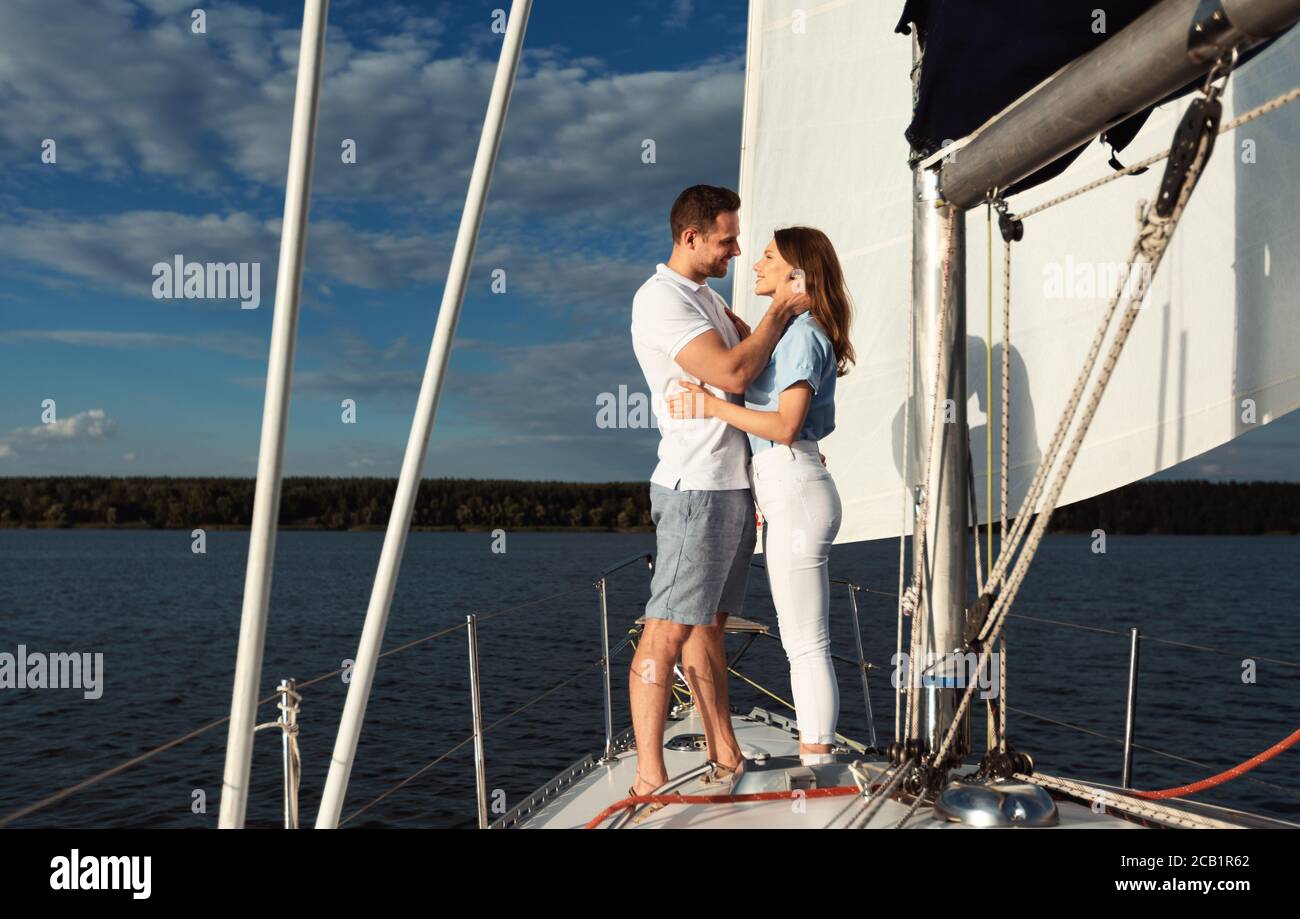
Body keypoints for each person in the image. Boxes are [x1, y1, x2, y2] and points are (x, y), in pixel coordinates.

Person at [628, 186, 810, 811]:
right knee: (665, 634)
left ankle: (724, 752)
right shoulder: (661, 300)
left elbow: (749, 367)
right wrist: (780, 312)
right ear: (691, 238)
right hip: (694, 487)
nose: (737, 249)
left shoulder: (704, 297)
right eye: (728, 239)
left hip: (730, 484)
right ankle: (649, 780)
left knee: (708, 628)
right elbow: (732, 373)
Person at [667, 226, 855, 767]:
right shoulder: (796, 331)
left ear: (798, 272)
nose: (754, 264)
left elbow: (787, 425)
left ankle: (819, 761)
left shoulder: (802, 336)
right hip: (790, 486)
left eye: (769, 257)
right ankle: (817, 753)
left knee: (805, 644)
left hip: (793, 483)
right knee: (805, 640)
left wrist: (711, 406)